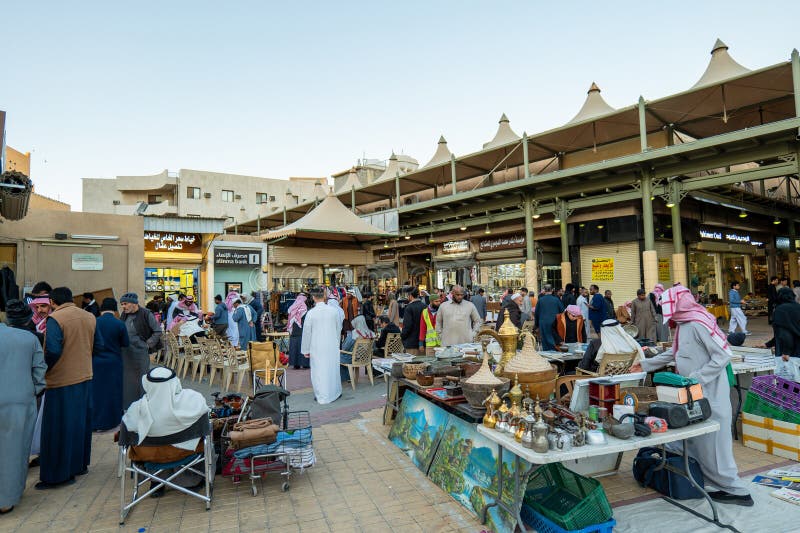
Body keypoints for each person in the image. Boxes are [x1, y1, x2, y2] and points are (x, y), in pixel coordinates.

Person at [630, 285, 752, 506]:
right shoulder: (685, 325)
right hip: (694, 396)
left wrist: (696, 378)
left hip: (710, 395)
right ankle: (711, 484)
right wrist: (645, 365)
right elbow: (674, 353)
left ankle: (736, 490)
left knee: (715, 448)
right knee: (697, 444)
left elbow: (723, 355)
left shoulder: (696, 323)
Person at [38, 286, 103, 489]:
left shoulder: (56, 319)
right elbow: (99, 346)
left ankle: (58, 475)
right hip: (85, 376)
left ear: (53, 302)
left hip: (61, 380)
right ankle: (79, 465)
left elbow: (53, 350)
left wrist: (45, 368)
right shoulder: (89, 317)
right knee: (79, 424)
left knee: (57, 428)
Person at [0, 318, 46, 513]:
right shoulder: (27, 338)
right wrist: (32, 390)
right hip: (19, 400)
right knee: (14, 451)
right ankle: (6, 499)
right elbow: (39, 370)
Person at [92, 298, 130, 431]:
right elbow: (125, 343)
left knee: (96, 391)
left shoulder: (94, 322)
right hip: (114, 362)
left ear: (102, 309)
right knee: (113, 391)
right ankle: (112, 420)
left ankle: (95, 421)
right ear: (114, 310)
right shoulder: (119, 324)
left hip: (95, 362)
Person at [119, 293, 161, 410]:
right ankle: (128, 406)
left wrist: (147, 344)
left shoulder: (146, 314)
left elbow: (157, 331)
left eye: (125, 303)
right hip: (126, 352)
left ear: (134, 303)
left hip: (140, 352)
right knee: (128, 379)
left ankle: (142, 406)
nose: (123, 306)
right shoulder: (124, 314)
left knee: (142, 378)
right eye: (122, 304)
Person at [301, 287, 342, 404]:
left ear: (313, 298)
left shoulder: (311, 313)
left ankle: (322, 394)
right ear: (324, 296)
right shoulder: (334, 311)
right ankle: (335, 391)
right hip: (331, 344)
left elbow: (307, 333)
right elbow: (338, 328)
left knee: (319, 371)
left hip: (317, 345)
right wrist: (336, 342)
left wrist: (305, 349)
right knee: (332, 368)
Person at [766, 287, 800, 360]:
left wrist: (786, 352)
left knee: (789, 371)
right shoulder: (798, 307)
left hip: (790, 353)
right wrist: (768, 344)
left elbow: (784, 333)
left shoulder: (780, 310)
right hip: (797, 350)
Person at [340, 315, 376, 380]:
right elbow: (373, 348)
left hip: (352, 359)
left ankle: (345, 379)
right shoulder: (370, 334)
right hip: (365, 359)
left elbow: (344, 348)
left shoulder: (353, 334)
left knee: (337, 357)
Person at [534, 285, 564, 351]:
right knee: (554, 339)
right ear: (552, 290)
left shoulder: (540, 300)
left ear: (544, 290)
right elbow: (562, 311)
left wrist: (536, 325)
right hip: (554, 322)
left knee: (545, 340)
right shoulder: (556, 299)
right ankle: (555, 354)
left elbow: (536, 313)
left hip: (543, 322)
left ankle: (547, 356)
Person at [287, 294, 309, 369]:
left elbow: (290, 320)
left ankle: (296, 364)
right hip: (302, 330)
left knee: (294, 347)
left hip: (294, 331)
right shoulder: (304, 309)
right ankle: (305, 364)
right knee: (303, 346)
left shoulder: (292, 307)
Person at [401, 288, 426, 354]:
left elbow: (407, 326)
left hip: (411, 343)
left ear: (410, 296)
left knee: (411, 363)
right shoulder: (425, 306)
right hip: (423, 343)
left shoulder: (409, 308)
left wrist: (403, 336)